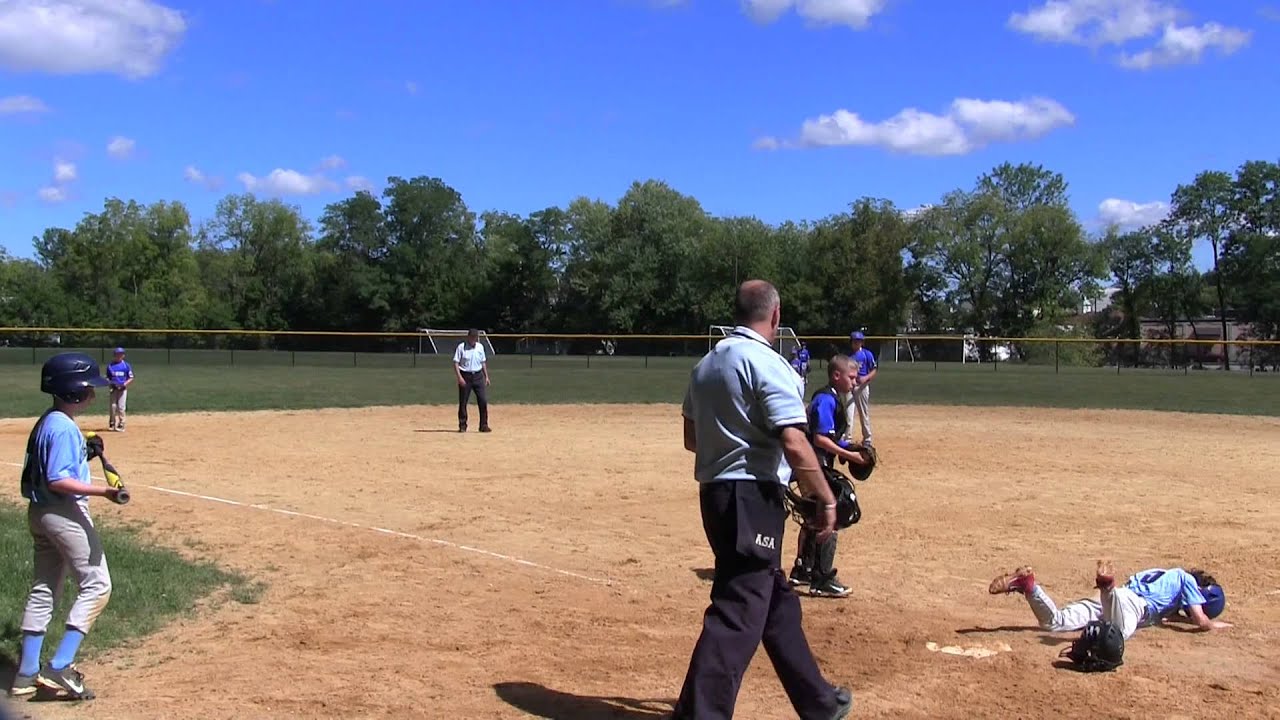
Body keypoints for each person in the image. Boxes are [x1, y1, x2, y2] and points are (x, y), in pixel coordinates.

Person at [672, 279, 853, 720]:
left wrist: (732, 442)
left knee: (774, 602)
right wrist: (825, 497)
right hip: (751, 497)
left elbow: (692, 438)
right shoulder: (767, 363)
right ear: (775, 316)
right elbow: (793, 441)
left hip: (715, 494)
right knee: (737, 612)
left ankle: (820, 704)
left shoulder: (705, 366)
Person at [12, 352, 121, 701]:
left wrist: (84, 454)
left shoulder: (50, 421)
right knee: (98, 585)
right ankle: (60, 664)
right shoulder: (62, 428)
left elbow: (51, 467)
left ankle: (26, 673)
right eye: (88, 387)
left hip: (40, 514)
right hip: (63, 513)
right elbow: (59, 479)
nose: (92, 393)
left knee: (45, 588)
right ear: (72, 390)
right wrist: (104, 490)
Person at [788, 355, 874, 598]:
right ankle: (822, 577)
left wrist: (848, 447)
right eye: (851, 377)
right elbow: (820, 439)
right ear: (836, 376)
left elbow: (829, 437)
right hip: (813, 465)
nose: (854, 382)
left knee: (814, 516)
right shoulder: (826, 399)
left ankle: (803, 570)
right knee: (834, 511)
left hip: (810, 465)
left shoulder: (830, 398)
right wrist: (852, 456)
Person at [988, 559, 1232, 641]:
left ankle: (1029, 587)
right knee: (1119, 633)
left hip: (1118, 600)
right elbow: (1200, 621)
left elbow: (1174, 614)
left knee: (1055, 622)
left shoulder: (1167, 577)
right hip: (1129, 604)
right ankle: (1107, 586)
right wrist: (1216, 625)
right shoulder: (1185, 580)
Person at [453, 329, 491, 433]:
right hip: (465, 376)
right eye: (473, 337)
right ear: (468, 337)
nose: (475, 339)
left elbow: (483, 362)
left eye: (476, 337)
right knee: (463, 402)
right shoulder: (461, 347)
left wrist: (486, 376)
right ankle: (462, 425)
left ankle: (483, 425)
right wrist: (459, 377)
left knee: (483, 400)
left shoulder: (480, 347)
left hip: (478, 376)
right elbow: (456, 363)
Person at [843, 331, 877, 447]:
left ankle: (867, 438)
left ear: (862, 342)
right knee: (848, 413)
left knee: (863, 413)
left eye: (858, 341)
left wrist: (866, 378)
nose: (856, 343)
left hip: (862, 386)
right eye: (854, 341)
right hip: (849, 386)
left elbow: (874, 370)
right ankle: (847, 438)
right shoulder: (848, 356)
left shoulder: (867, 354)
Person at [105, 347, 133, 432]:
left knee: (121, 407)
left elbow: (131, 377)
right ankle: (112, 423)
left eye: (121, 354)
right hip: (113, 388)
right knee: (113, 407)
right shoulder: (110, 366)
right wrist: (111, 384)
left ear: (123, 355)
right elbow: (107, 378)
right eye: (117, 354)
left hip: (122, 389)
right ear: (114, 355)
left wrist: (124, 385)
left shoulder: (126, 365)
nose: (119, 356)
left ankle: (121, 424)